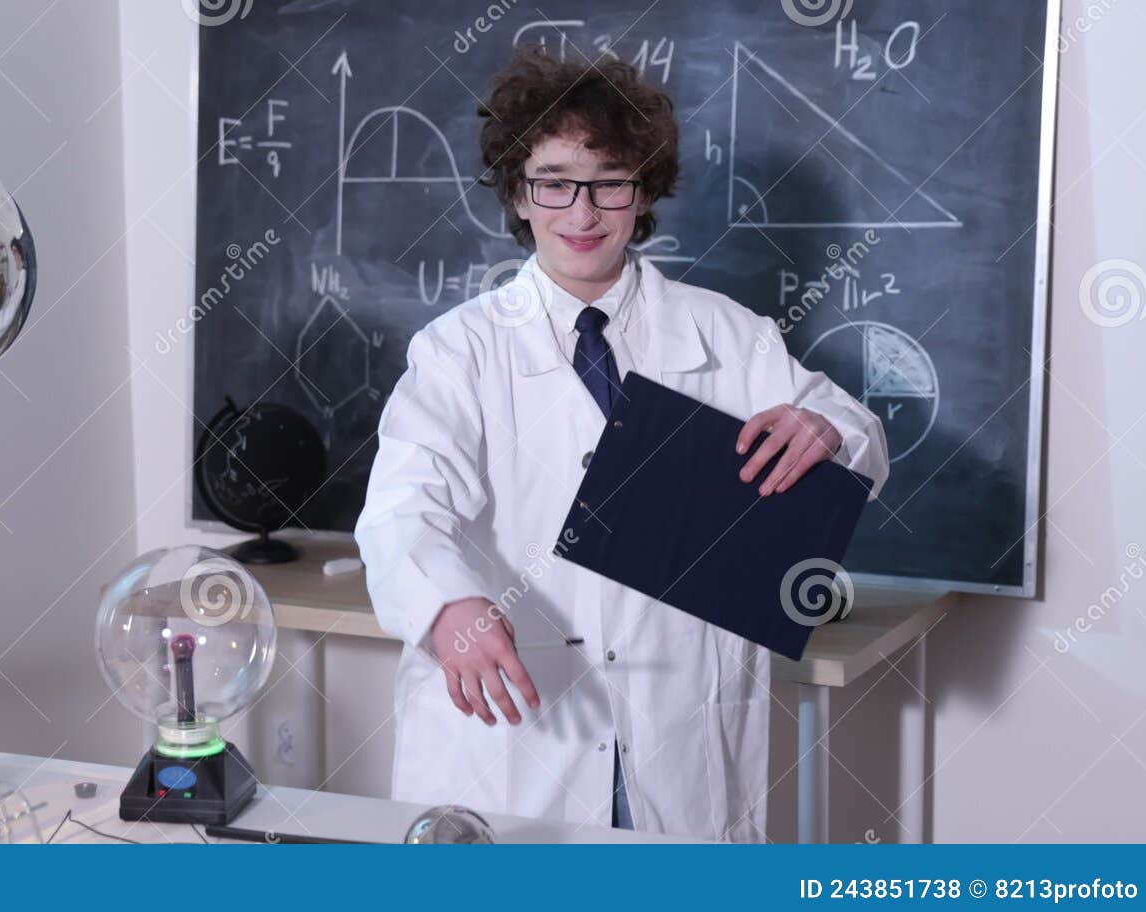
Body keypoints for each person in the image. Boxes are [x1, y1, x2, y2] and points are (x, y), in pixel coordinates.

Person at [353, 48, 890, 841]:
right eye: (555, 182)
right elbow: (405, 507)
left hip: (678, 735)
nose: (582, 211)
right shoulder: (459, 350)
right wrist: (449, 607)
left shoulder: (725, 336)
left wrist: (828, 429)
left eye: (610, 182)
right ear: (518, 193)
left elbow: (858, 437)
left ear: (644, 194)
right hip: (519, 736)